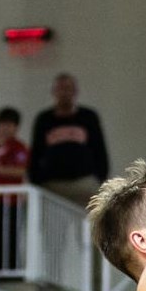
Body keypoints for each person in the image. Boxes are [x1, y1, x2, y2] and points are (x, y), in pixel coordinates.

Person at [30, 73, 111, 207]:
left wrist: (100, 177)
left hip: (84, 181)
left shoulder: (88, 116)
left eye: (68, 88)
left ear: (75, 91)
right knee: (52, 225)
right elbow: (36, 152)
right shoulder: (44, 119)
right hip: (53, 184)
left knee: (89, 223)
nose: (64, 93)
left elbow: (99, 148)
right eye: (60, 89)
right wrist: (36, 181)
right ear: (54, 92)